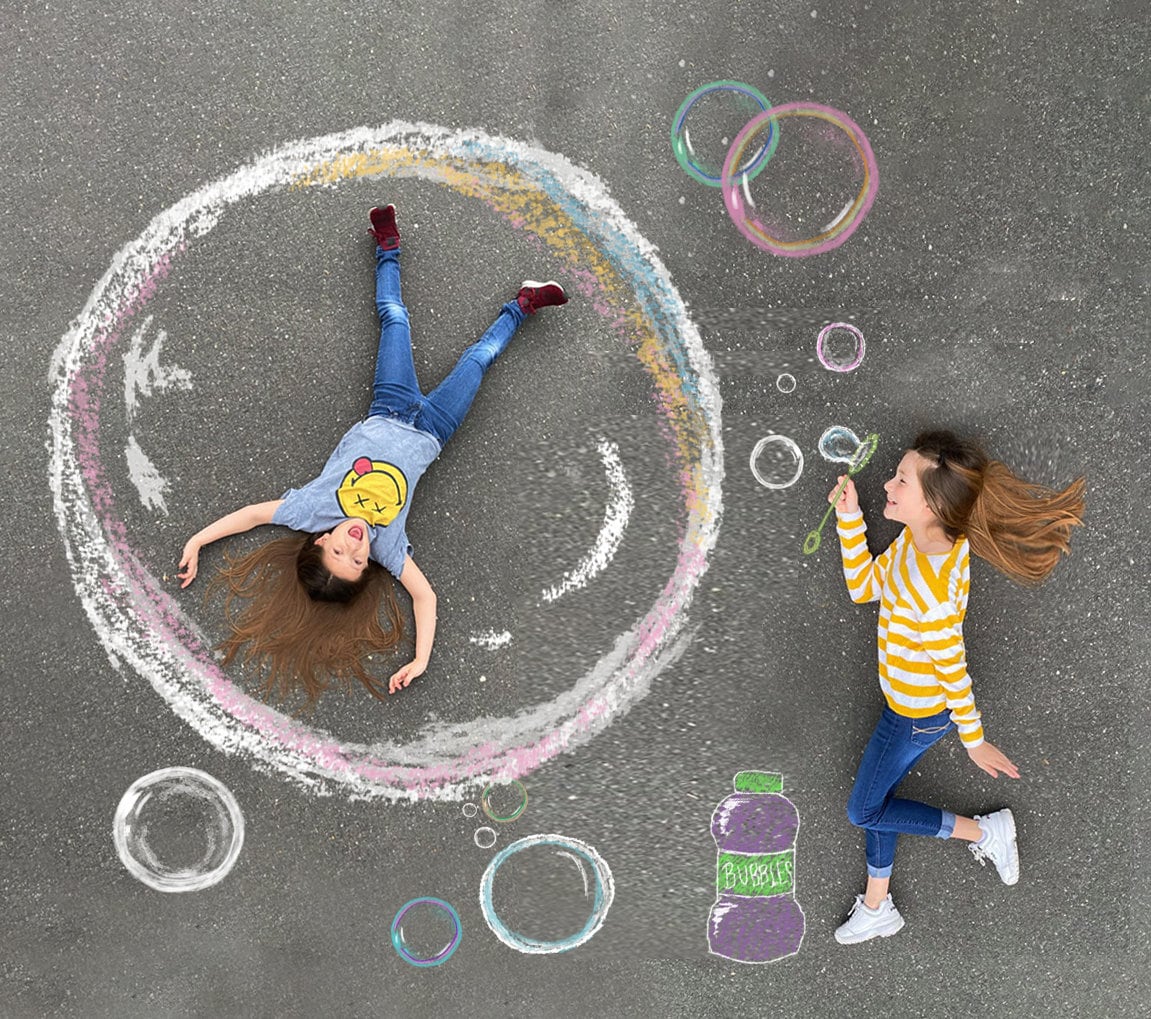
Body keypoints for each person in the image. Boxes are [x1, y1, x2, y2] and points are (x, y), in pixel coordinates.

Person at [177, 205, 568, 704]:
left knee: (395, 319)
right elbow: (424, 596)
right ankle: (523, 304)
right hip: (435, 429)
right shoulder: (387, 546)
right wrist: (421, 658)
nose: (354, 549)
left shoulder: (309, 510)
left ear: (320, 540)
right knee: (479, 358)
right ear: (367, 568)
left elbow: (252, 516)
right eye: (356, 563)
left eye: (339, 551)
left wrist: (198, 541)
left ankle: (387, 247)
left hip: (389, 404)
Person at [829, 429, 1085, 944]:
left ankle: (983, 831)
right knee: (878, 800)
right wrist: (849, 518)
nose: (887, 484)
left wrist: (973, 738)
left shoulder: (932, 592)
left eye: (901, 479)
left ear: (934, 504)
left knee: (866, 809)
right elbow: (865, 589)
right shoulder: (921, 539)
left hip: (915, 716)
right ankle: (877, 906)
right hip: (905, 702)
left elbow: (953, 668)